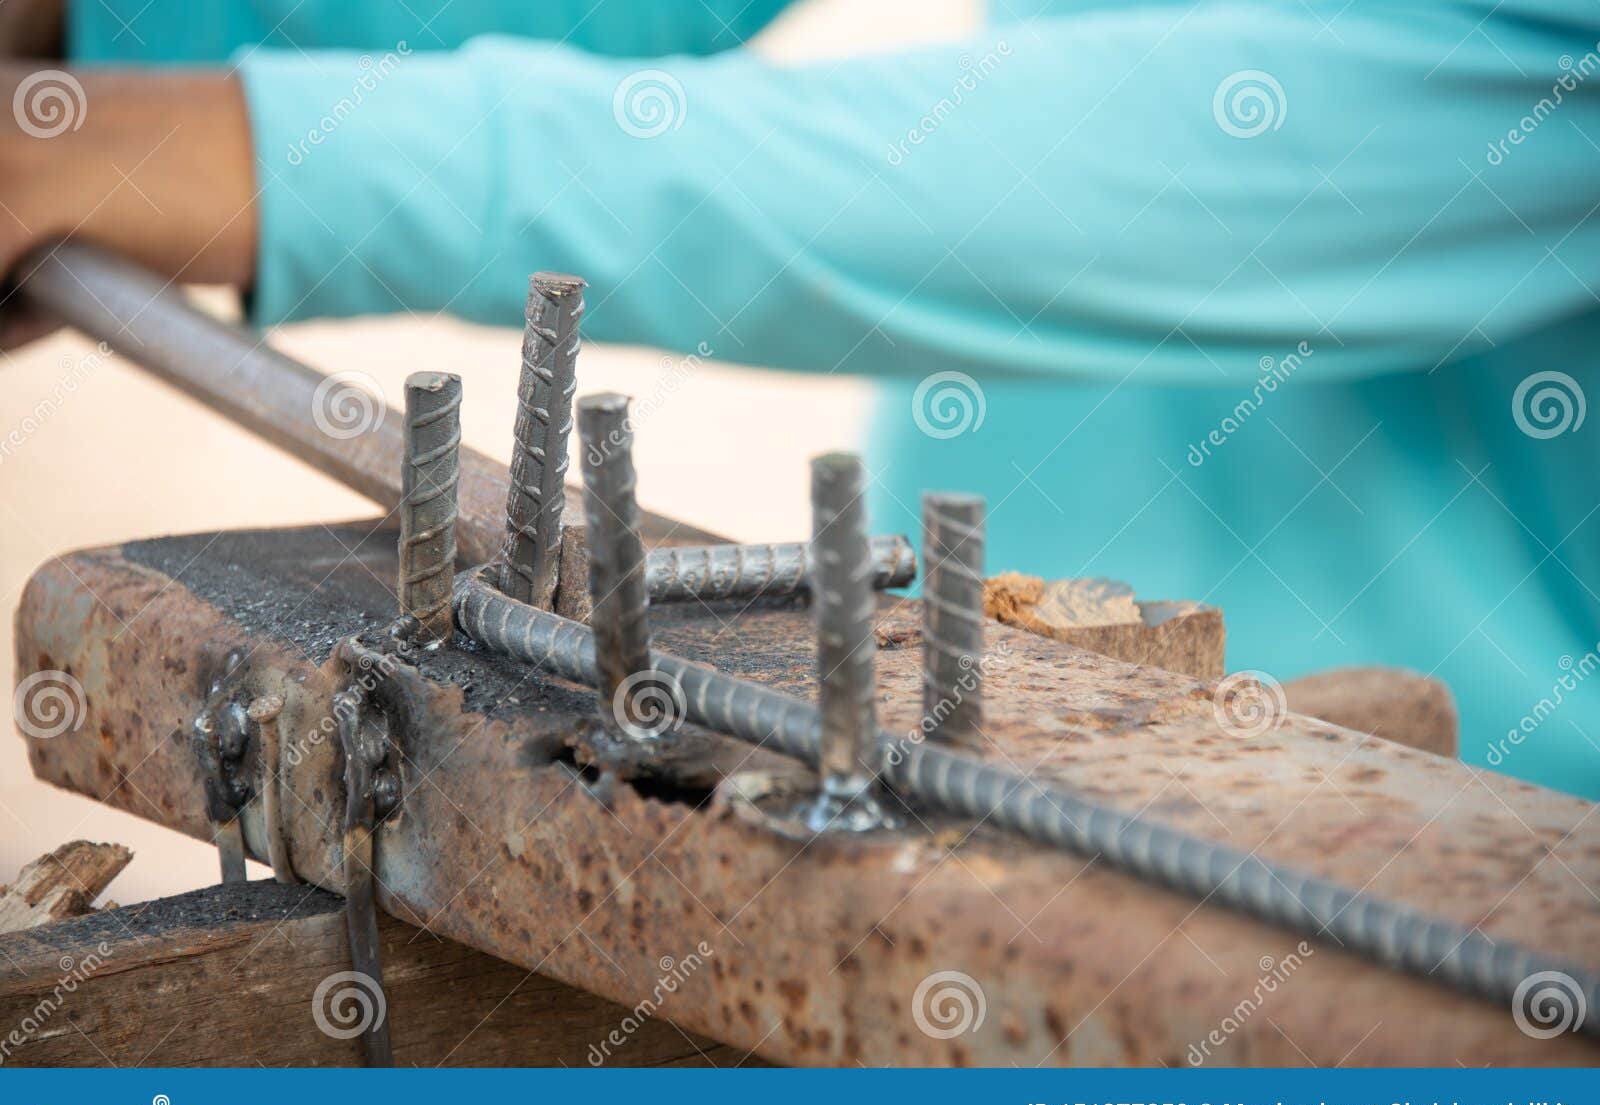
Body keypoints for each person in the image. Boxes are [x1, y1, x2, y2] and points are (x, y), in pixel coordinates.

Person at [1, 1, 1596, 795]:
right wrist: (123, 22)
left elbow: (1096, 170)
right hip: (960, 732)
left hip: (1482, 882)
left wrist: (257, 145)